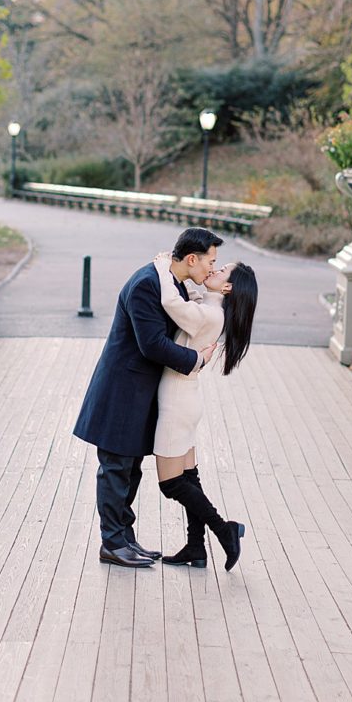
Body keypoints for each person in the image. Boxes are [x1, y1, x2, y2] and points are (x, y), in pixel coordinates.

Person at [73, 227, 222, 568]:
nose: (212, 269)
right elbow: (152, 344)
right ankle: (112, 543)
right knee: (115, 469)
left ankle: (125, 538)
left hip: (141, 393)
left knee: (131, 470)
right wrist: (195, 360)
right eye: (211, 262)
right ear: (191, 258)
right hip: (121, 390)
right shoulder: (146, 284)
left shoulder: (172, 282)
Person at [150, 251, 257, 571]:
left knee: (171, 484)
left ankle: (225, 530)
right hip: (186, 399)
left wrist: (161, 267)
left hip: (175, 403)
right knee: (189, 477)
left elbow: (171, 303)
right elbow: (193, 296)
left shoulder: (210, 315)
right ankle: (195, 547)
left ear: (227, 289)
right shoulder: (211, 309)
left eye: (222, 270)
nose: (215, 268)